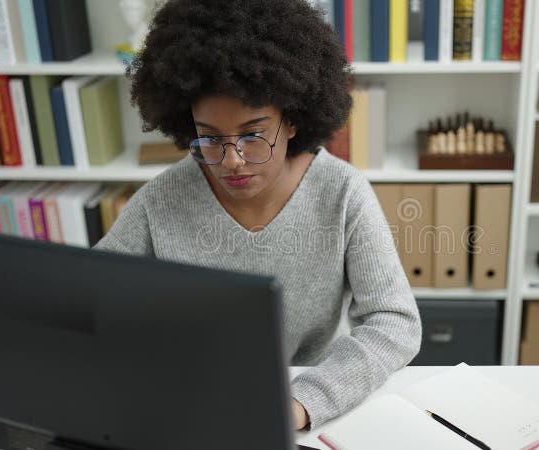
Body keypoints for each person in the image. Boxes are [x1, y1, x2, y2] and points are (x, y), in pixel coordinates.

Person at [95, 0, 422, 430]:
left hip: (306, 408)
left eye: (252, 135)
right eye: (209, 138)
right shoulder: (160, 201)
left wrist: (303, 402)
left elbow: (394, 322)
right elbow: (92, 299)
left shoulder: (342, 193)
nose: (231, 161)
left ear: (292, 119)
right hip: (190, 403)